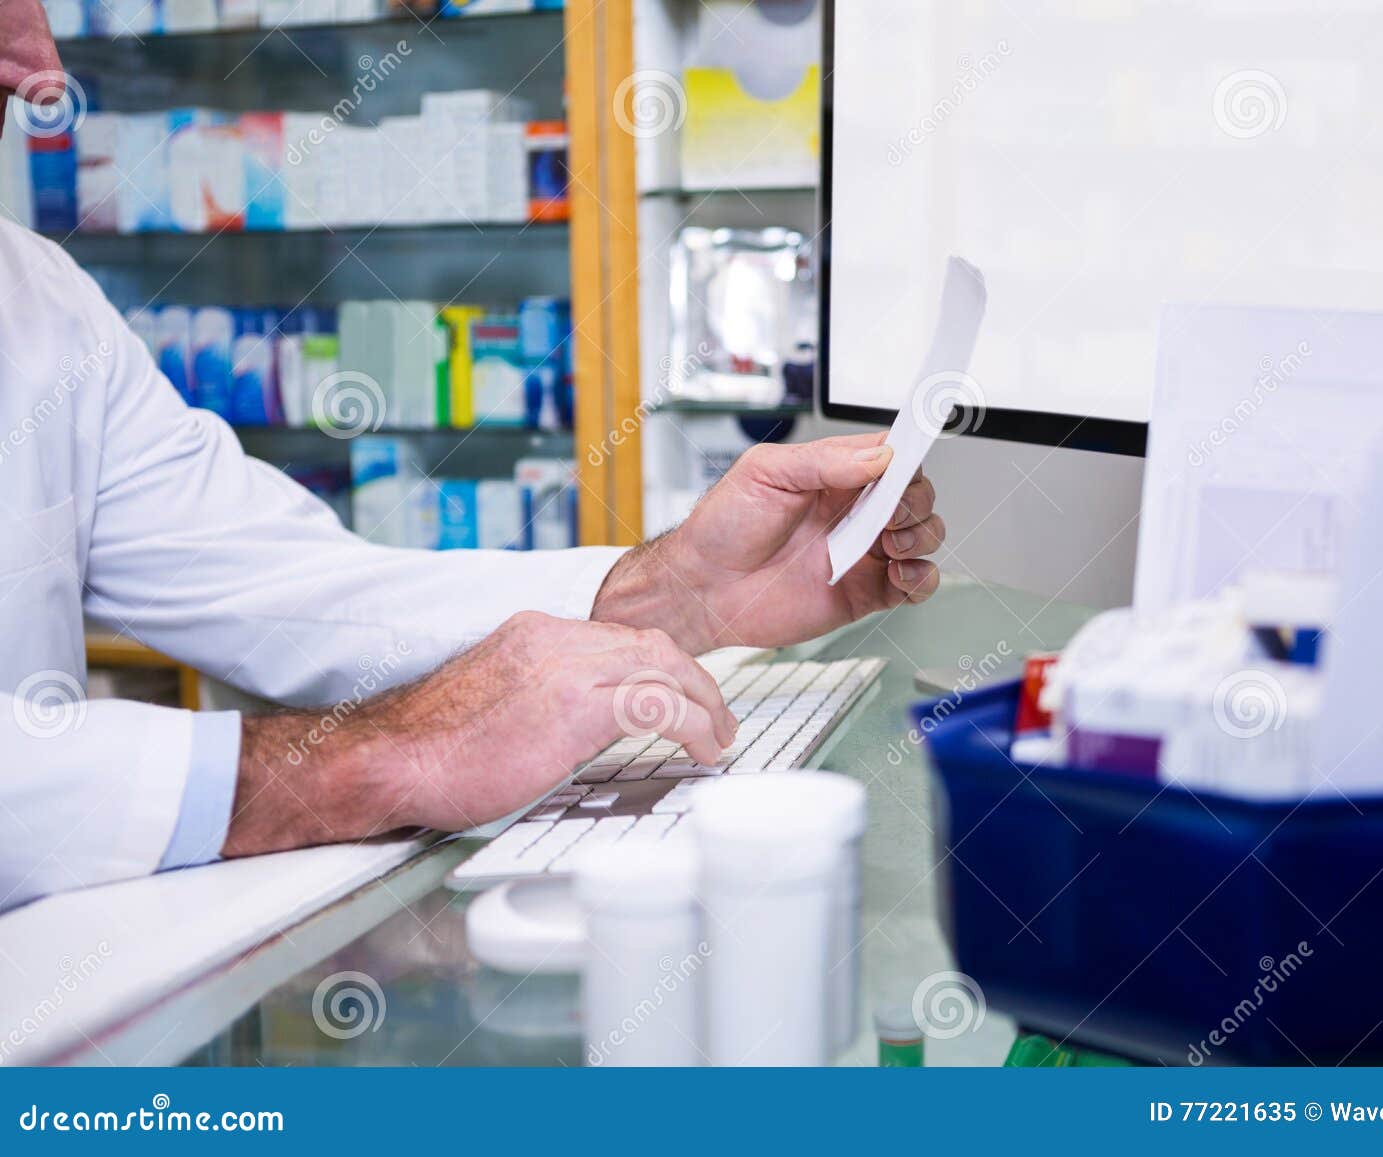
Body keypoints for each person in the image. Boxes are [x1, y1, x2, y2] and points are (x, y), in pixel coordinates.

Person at [0, 3, 945, 911]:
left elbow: (285, 591)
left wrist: (674, 591)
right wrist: (385, 754)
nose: (42, 63)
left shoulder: (40, 299)